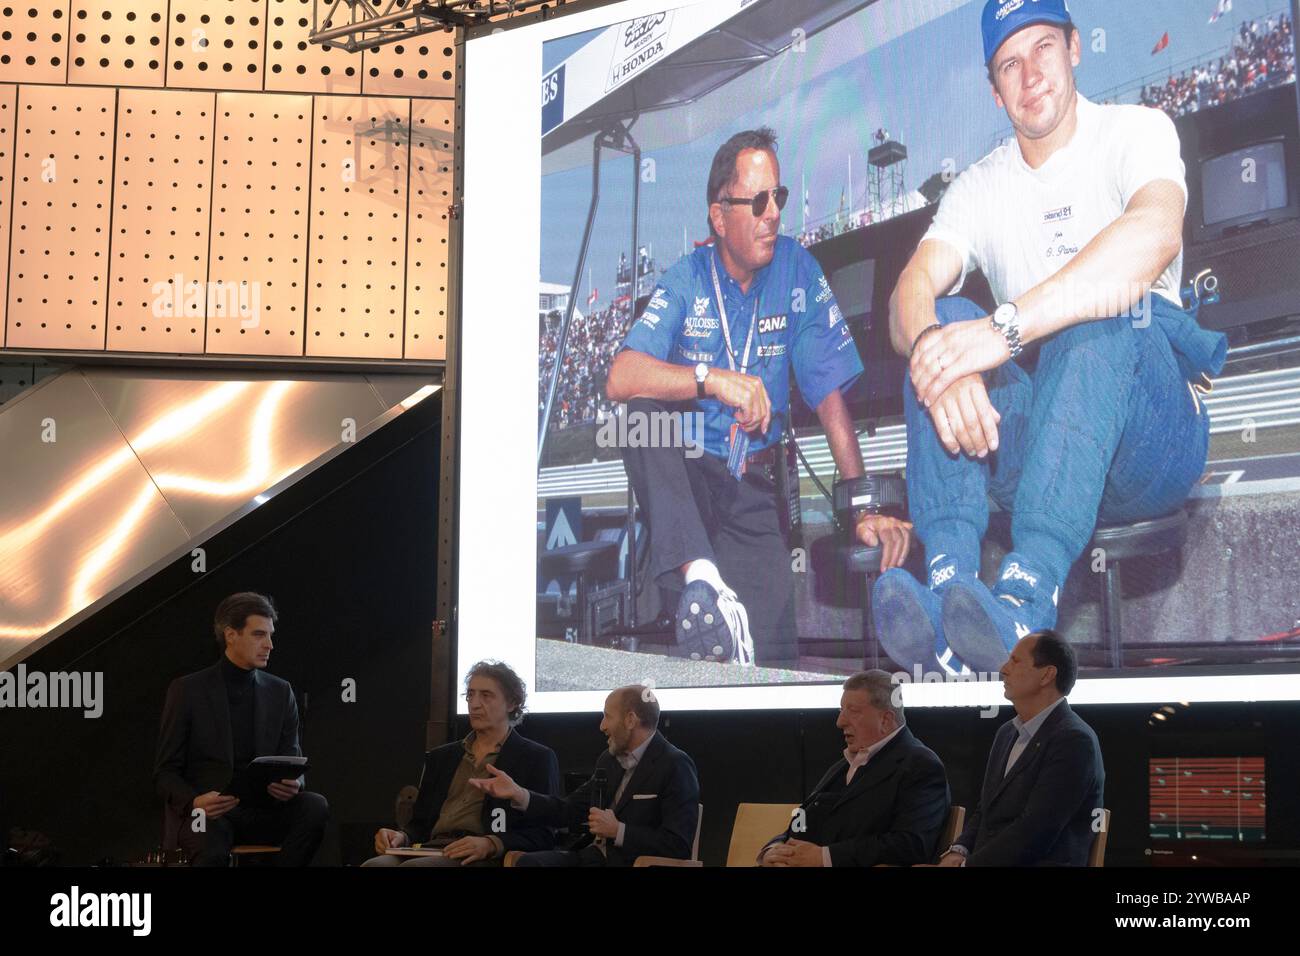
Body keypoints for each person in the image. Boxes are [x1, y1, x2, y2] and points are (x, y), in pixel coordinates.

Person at [875, 0, 1227, 675]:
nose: (1030, 72)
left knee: (1104, 306)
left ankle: (1026, 598)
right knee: (940, 326)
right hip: (1052, 446)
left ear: (1074, 47)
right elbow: (907, 295)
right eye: (1010, 62)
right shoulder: (980, 184)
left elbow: (1153, 235)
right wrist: (937, 355)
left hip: (1148, 436)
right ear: (993, 87)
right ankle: (949, 593)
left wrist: (1003, 330)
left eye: (1043, 48)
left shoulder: (1135, 130)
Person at [606, 127, 912, 668]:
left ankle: (719, 602)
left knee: (771, 668)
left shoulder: (797, 267)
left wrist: (861, 506)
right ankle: (699, 576)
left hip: (756, 487)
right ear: (719, 217)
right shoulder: (684, 280)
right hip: (692, 483)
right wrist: (712, 377)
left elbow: (828, 395)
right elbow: (620, 378)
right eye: (758, 200)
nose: (773, 213)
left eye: (779, 198)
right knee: (638, 414)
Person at [154, 592, 329, 866]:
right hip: (210, 814)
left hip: (263, 810)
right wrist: (195, 802)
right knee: (210, 842)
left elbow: (293, 760)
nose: (269, 645)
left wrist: (294, 785)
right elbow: (165, 772)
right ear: (231, 635)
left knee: (314, 806)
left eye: (271, 635)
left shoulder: (281, 692)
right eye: (259, 634)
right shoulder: (188, 690)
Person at [471, 685, 699, 866]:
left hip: (632, 862)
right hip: (593, 857)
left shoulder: (674, 765)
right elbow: (569, 809)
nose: (602, 726)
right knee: (529, 863)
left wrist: (619, 831)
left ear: (630, 720)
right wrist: (520, 794)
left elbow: (677, 845)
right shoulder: (608, 760)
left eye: (607, 716)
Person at [930, 630, 1104, 867]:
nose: (1003, 669)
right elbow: (986, 810)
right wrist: (958, 850)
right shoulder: (1007, 733)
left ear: (1047, 675)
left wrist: (967, 866)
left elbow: (1036, 831)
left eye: (1015, 660)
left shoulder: (1074, 740)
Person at [362, 660, 560, 867]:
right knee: (375, 865)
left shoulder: (536, 757)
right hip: (433, 847)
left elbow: (544, 833)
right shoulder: (442, 757)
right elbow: (419, 825)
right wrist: (401, 836)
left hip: (482, 854)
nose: (474, 704)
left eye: (486, 695)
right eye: (470, 694)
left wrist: (492, 843)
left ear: (511, 703)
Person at [758, 670, 950, 867]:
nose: (840, 722)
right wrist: (774, 849)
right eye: (841, 710)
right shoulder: (842, 766)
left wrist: (825, 857)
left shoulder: (920, 765)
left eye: (853, 711)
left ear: (885, 719)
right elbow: (803, 819)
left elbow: (911, 845)